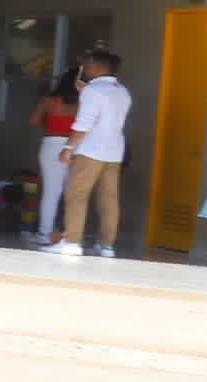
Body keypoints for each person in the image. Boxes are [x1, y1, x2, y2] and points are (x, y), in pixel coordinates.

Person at [58, 46, 134, 258]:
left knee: (76, 194)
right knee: (109, 199)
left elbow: (84, 123)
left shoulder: (93, 90)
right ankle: (106, 245)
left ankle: (72, 241)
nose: (86, 69)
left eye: (88, 65)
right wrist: (85, 90)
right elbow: (105, 107)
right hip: (114, 151)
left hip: (91, 150)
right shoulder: (122, 90)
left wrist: (68, 148)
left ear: (98, 67)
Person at [31, 66, 80, 248]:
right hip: (76, 145)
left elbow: (33, 121)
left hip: (51, 144)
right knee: (73, 193)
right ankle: (69, 235)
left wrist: (50, 121)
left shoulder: (48, 101)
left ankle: (44, 233)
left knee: (51, 192)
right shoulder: (83, 103)